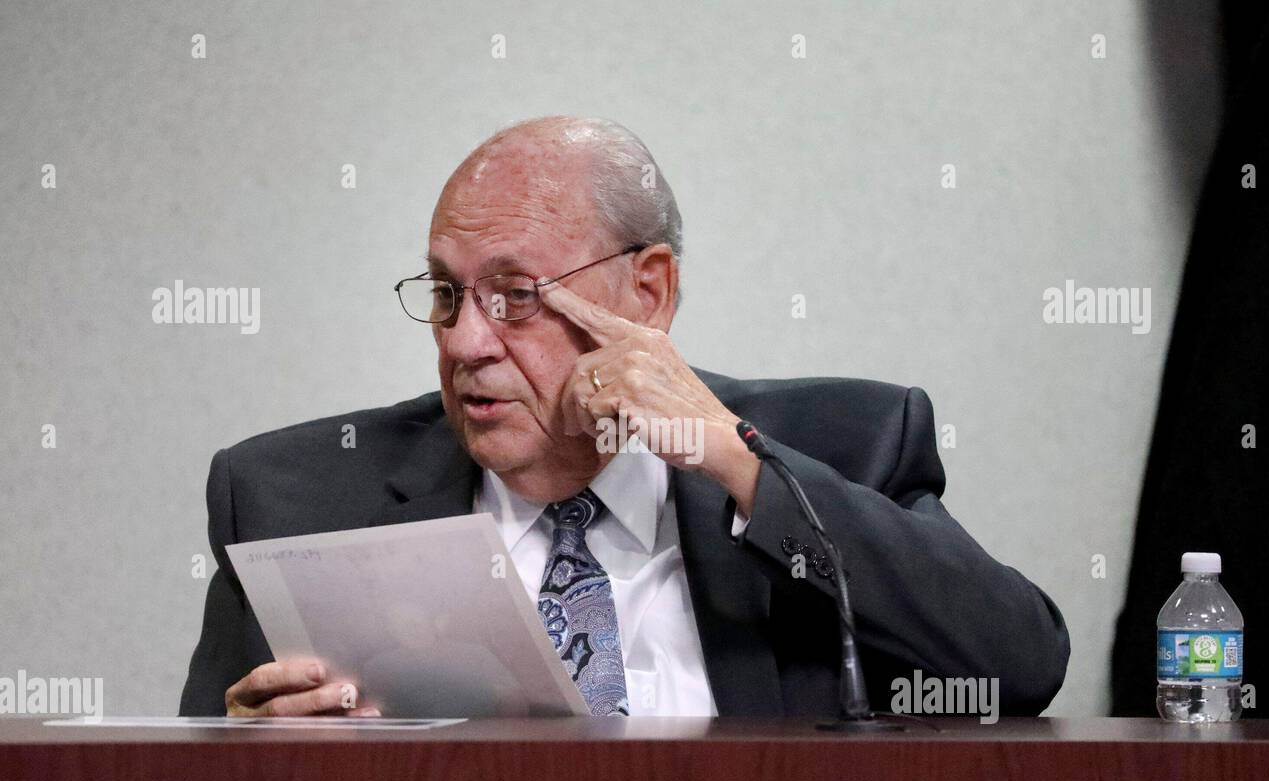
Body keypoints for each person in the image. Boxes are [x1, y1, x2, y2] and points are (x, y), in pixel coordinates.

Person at [180, 116, 1069, 719]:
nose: (464, 343)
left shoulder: (848, 444)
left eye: (516, 296)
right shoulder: (295, 500)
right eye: (448, 294)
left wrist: (738, 465)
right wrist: (240, 762)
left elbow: (1019, 666)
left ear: (646, 293)